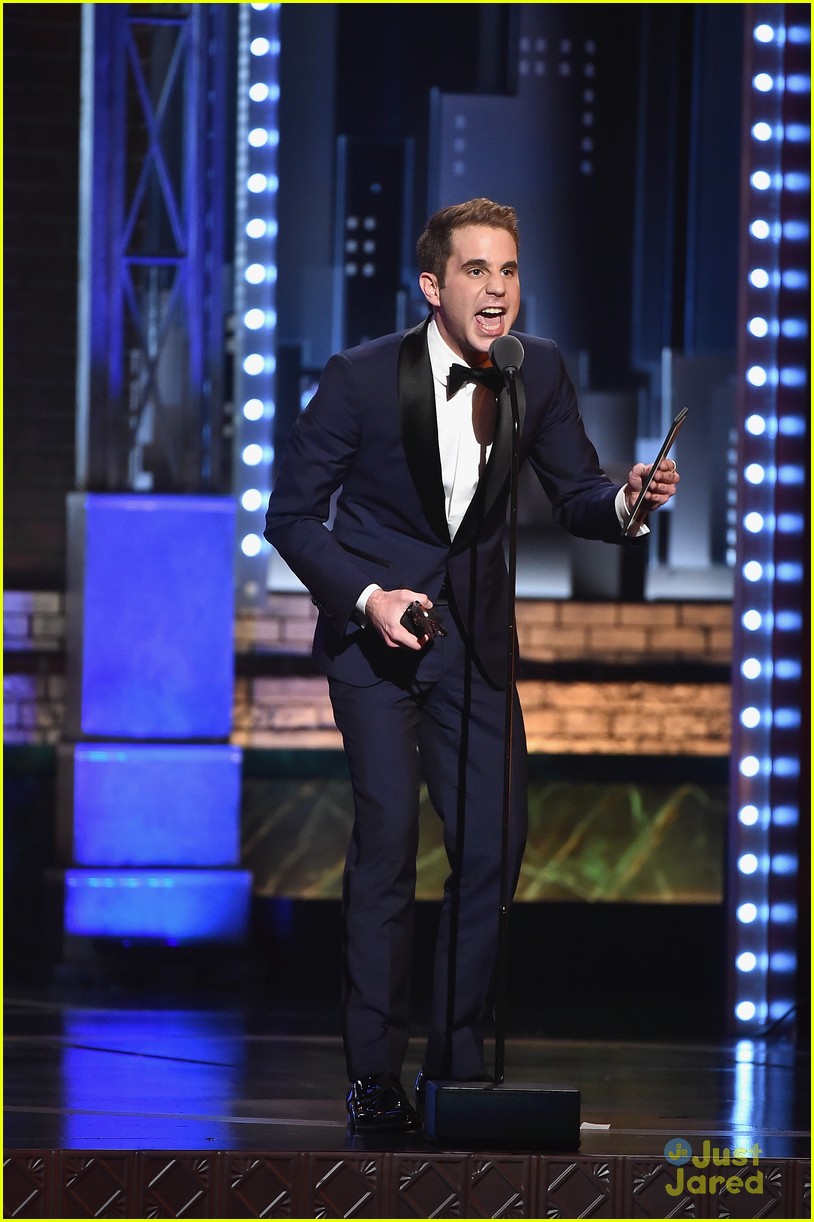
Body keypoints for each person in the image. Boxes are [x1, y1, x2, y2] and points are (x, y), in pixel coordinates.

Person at [264, 198, 679, 1132]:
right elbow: (289, 516)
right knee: (386, 845)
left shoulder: (540, 371)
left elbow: (576, 494)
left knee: (493, 848)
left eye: (510, 271)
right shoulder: (361, 378)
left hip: (477, 645)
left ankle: (453, 1065)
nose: (498, 290)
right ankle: (374, 1076)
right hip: (379, 643)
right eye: (477, 271)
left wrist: (627, 501)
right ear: (433, 285)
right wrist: (368, 598)